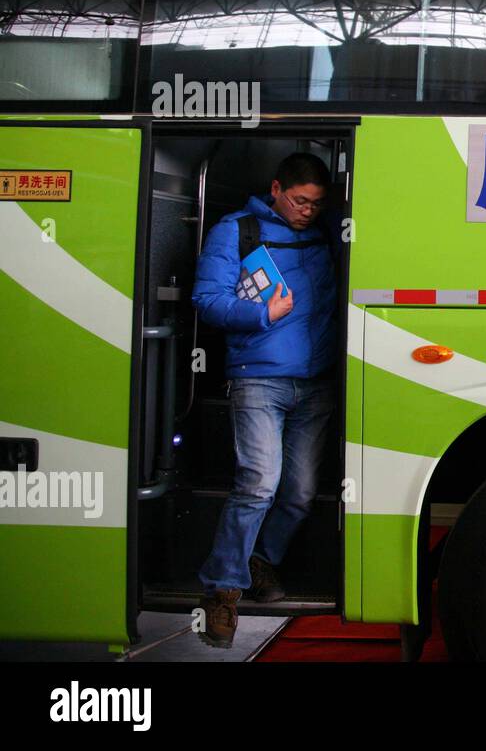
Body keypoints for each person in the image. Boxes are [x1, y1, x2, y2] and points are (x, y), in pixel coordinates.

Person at [191, 152, 338, 648]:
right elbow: (207, 301)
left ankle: (261, 561)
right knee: (258, 485)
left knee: (298, 494)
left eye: (316, 204)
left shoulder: (324, 233)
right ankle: (221, 592)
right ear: (276, 188)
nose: (307, 211)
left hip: (316, 384)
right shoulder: (237, 231)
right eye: (299, 201)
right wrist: (263, 314)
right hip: (259, 380)